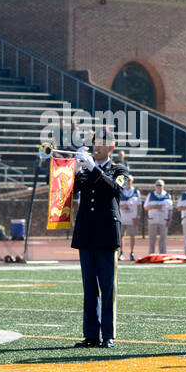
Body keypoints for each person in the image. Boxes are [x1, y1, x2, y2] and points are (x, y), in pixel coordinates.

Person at [71, 129, 129, 348]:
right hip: (86, 232)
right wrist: (73, 169)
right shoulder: (85, 170)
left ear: (111, 147)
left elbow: (115, 187)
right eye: (95, 142)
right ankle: (91, 335)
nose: (97, 146)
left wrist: (93, 168)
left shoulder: (119, 169)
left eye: (102, 142)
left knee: (107, 285)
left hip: (106, 232)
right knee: (89, 287)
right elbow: (67, 191)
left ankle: (108, 334)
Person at [144, 180, 172, 254]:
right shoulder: (151, 195)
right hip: (153, 219)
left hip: (163, 219)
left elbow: (170, 209)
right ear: (155, 186)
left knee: (163, 238)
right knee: (152, 238)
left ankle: (163, 254)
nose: (159, 187)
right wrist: (155, 206)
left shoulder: (167, 195)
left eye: (160, 185)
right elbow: (146, 207)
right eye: (157, 185)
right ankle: (151, 254)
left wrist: (169, 219)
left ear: (163, 186)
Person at [118, 174, 141, 261]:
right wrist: (124, 205)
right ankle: (121, 253)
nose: (128, 182)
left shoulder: (136, 192)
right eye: (126, 180)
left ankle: (132, 252)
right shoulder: (120, 190)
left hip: (132, 217)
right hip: (122, 217)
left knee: (132, 236)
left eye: (129, 180)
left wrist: (138, 216)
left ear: (132, 181)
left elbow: (139, 205)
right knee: (120, 236)